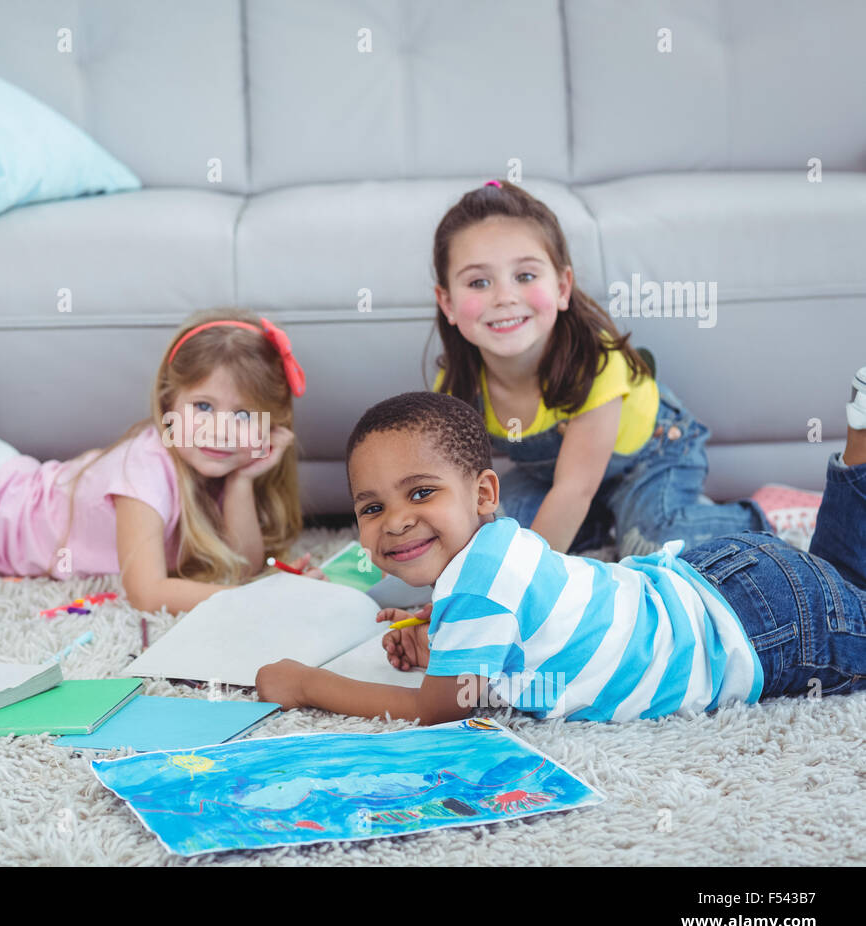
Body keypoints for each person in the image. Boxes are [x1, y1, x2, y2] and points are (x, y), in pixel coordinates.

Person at [256, 381, 866, 723]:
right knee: (842, 580)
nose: (395, 522)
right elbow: (513, 651)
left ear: (484, 493)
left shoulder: (476, 584)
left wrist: (309, 686)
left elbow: (439, 711)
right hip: (724, 581)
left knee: (848, 600)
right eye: (370, 508)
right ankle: (859, 435)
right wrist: (437, 635)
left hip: (755, 631)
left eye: (421, 492)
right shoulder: (498, 550)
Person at [0, 251, 308, 613]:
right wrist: (256, 602)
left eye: (242, 417)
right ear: (167, 404)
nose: (220, 430)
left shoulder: (217, 473)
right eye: (203, 405)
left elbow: (239, 564)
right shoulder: (146, 467)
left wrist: (244, 477)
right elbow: (148, 592)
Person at [429, 180, 768, 556]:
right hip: (555, 476)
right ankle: (597, 524)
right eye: (479, 282)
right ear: (447, 302)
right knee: (494, 529)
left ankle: (748, 520)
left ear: (562, 287)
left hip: (650, 458)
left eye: (525, 276)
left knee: (651, 547)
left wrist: (516, 584)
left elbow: (574, 490)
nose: (504, 297)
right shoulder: (457, 386)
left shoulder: (596, 365)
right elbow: (455, 490)